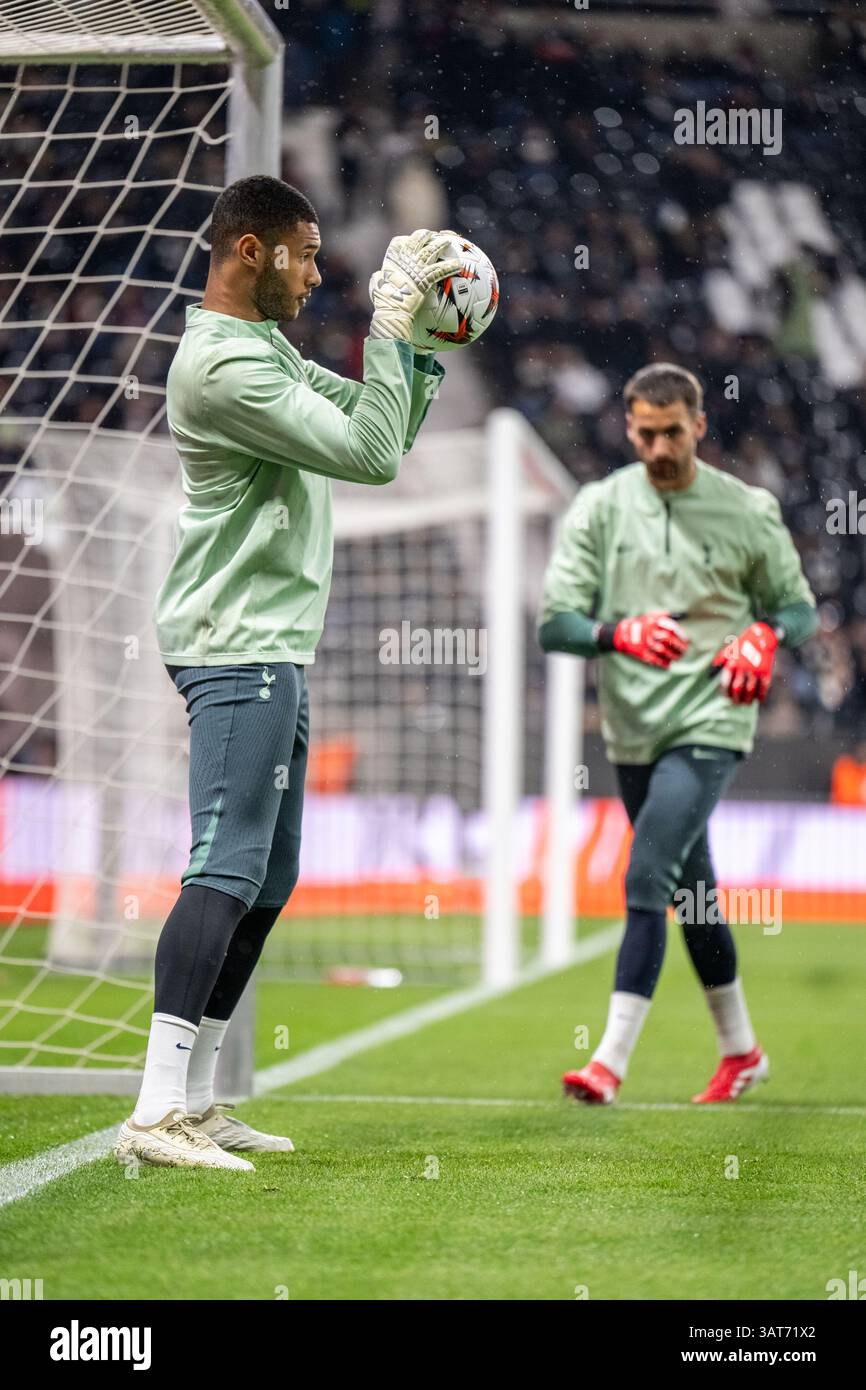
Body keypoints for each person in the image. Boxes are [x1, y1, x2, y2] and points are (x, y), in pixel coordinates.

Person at [115, 176, 458, 1170]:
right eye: (302, 254)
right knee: (225, 866)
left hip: (271, 644)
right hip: (235, 645)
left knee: (268, 878)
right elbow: (369, 454)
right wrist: (389, 331)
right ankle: (150, 1109)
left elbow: (377, 424)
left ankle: (198, 1099)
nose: (317, 272)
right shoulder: (223, 369)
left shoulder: (265, 351)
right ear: (249, 252)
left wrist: (418, 343)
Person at [538, 363, 817, 1105]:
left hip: (713, 715)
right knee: (695, 895)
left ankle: (608, 1062)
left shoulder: (747, 509)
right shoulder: (600, 507)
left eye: (672, 432)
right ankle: (742, 1051)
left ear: (699, 424)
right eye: (645, 433)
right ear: (629, 429)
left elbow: (798, 608)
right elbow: (555, 624)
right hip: (634, 727)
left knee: (647, 876)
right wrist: (616, 633)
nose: (658, 447)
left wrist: (763, 634)